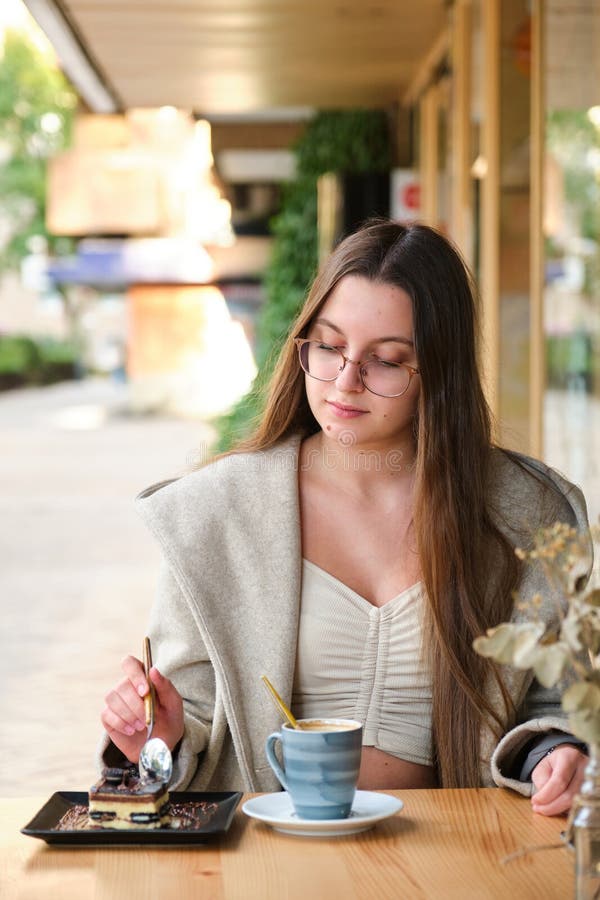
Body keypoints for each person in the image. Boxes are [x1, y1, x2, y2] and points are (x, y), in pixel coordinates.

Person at [100, 220, 589, 816]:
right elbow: (193, 718)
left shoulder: (524, 512)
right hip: (272, 857)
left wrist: (557, 754)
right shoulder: (217, 512)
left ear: (439, 374)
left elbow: (556, 701)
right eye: (328, 346)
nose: (344, 381)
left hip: (456, 855)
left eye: (385, 360)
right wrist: (159, 735)